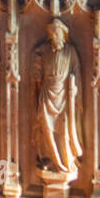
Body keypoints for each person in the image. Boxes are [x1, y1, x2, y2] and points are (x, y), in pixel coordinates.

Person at [33, 19, 82, 177]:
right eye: (52, 32)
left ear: (63, 33)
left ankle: (66, 163)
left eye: (57, 32)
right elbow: (39, 76)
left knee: (64, 132)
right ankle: (50, 160)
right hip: (48, 95)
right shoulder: (46, 52)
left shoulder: (70, 51)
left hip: (63, 96)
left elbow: (77, 72)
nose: (54, 35)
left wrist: (75, 90)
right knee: (46, 130)